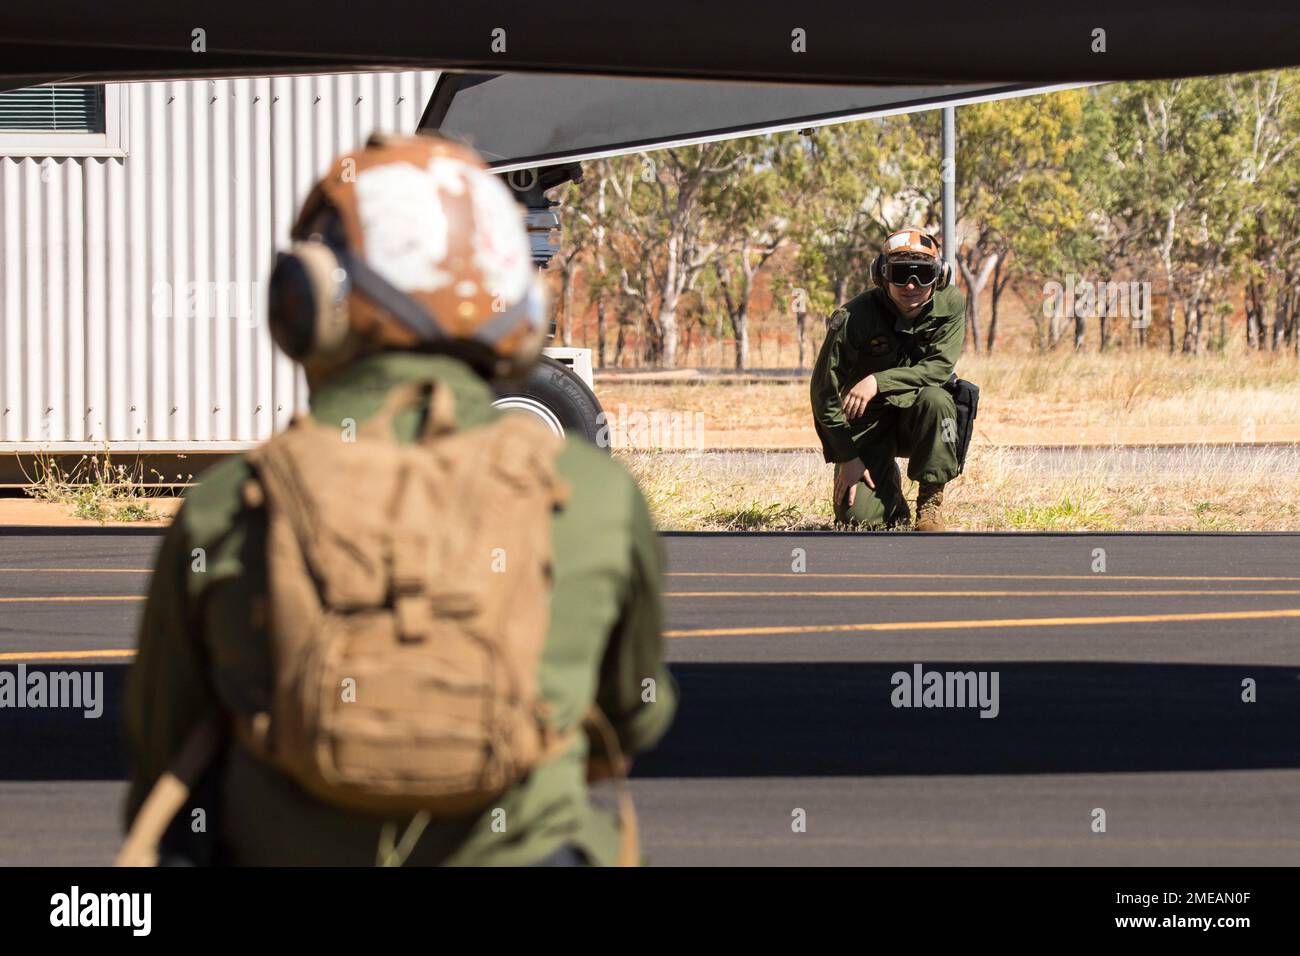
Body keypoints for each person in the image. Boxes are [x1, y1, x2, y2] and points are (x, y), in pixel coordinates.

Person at [121, 132, 677, 866]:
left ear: (306, 301)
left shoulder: (227, 505)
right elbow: (636, 716)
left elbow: (165, 741)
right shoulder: (595, 496)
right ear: (517, 304)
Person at [809, 227, 967, 531]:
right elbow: (824, 392)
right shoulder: (855, 316)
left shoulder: (951, 304)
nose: (911, 285)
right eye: (900, 274)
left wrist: (878, 381)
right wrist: (847, 457)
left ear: (940, 275)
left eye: (923, 274)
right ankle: (889, 492)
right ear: (881, 274)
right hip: (867, 423)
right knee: (860, 520)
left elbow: (938, 367)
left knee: (938, 399)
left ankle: (929, 506)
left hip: (918, 417)